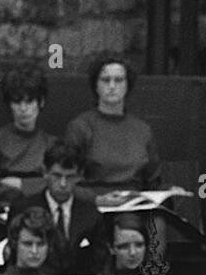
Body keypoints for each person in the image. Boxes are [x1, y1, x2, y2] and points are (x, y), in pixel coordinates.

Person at [64, 55, 161, 195]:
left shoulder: (143, 130)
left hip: (135, 203)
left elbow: (153, 180)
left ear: (128, 85)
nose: (112, 86)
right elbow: (67, 179)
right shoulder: (80, 127)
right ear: (95, 85)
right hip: (94, 204)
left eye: (119, 80)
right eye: (105, 80)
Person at [8, 141, 105, 275]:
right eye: (57, 175)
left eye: (70, 177)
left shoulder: (91, 214)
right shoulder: (22, 209)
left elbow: (99, 261)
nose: (63, 184)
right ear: (45, 172)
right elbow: (13, 258)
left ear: (79, 176)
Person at [0, 66, 55, 212]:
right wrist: (39, 184)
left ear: (40, 103)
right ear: (9, 105)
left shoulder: (51, 143)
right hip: (4, 211)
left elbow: (58, 185)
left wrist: (20, 183)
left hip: (41, 211)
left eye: (29, 102)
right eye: (17, 102)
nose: (23, 109)